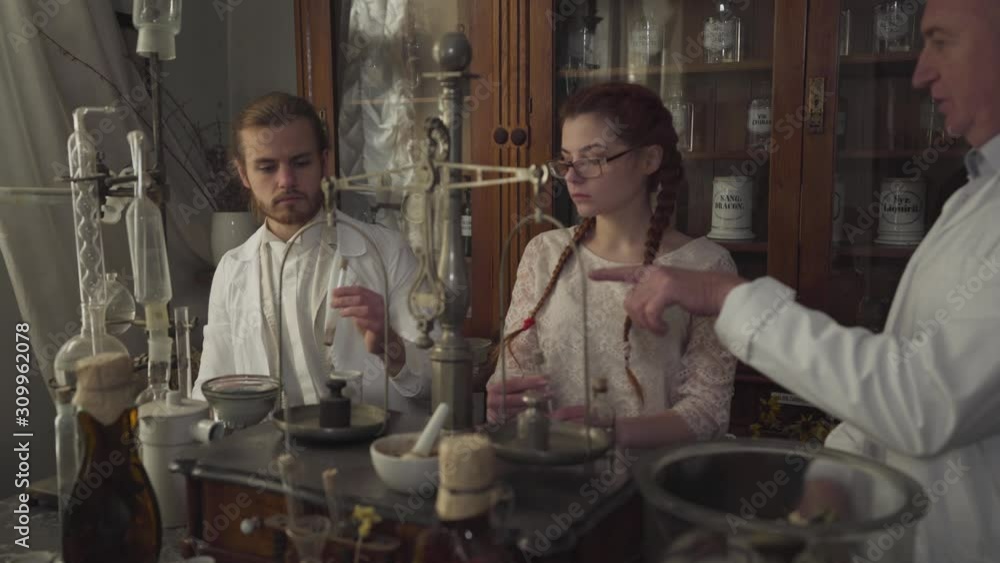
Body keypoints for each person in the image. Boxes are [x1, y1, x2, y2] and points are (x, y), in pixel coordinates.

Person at [590, 1, 1000, 560]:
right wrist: (837, 474)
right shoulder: (977, 194)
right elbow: (897, 376)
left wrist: (721, 296)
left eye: (942, 41)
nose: (920, 70)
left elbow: (923, 405)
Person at [486, 82, 738, 448]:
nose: (572, 176)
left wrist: (610, 434)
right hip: (550, 474)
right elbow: (514, 375)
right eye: (567, 161)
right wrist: (501, 402)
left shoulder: (705, 267)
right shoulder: (544, 252)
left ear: (649, 159)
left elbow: (707, 412)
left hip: (649, 486)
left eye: (593, 159)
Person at [195, 92, 431, 414]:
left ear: (325, 162)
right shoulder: (232, 269)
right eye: (266, 167)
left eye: (301, 162)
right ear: (243, 174)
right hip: (271, 458)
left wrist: (391, 345)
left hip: (372, 455)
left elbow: (437, 386)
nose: (286, 181)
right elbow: (211, 391)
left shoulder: (387, 252)